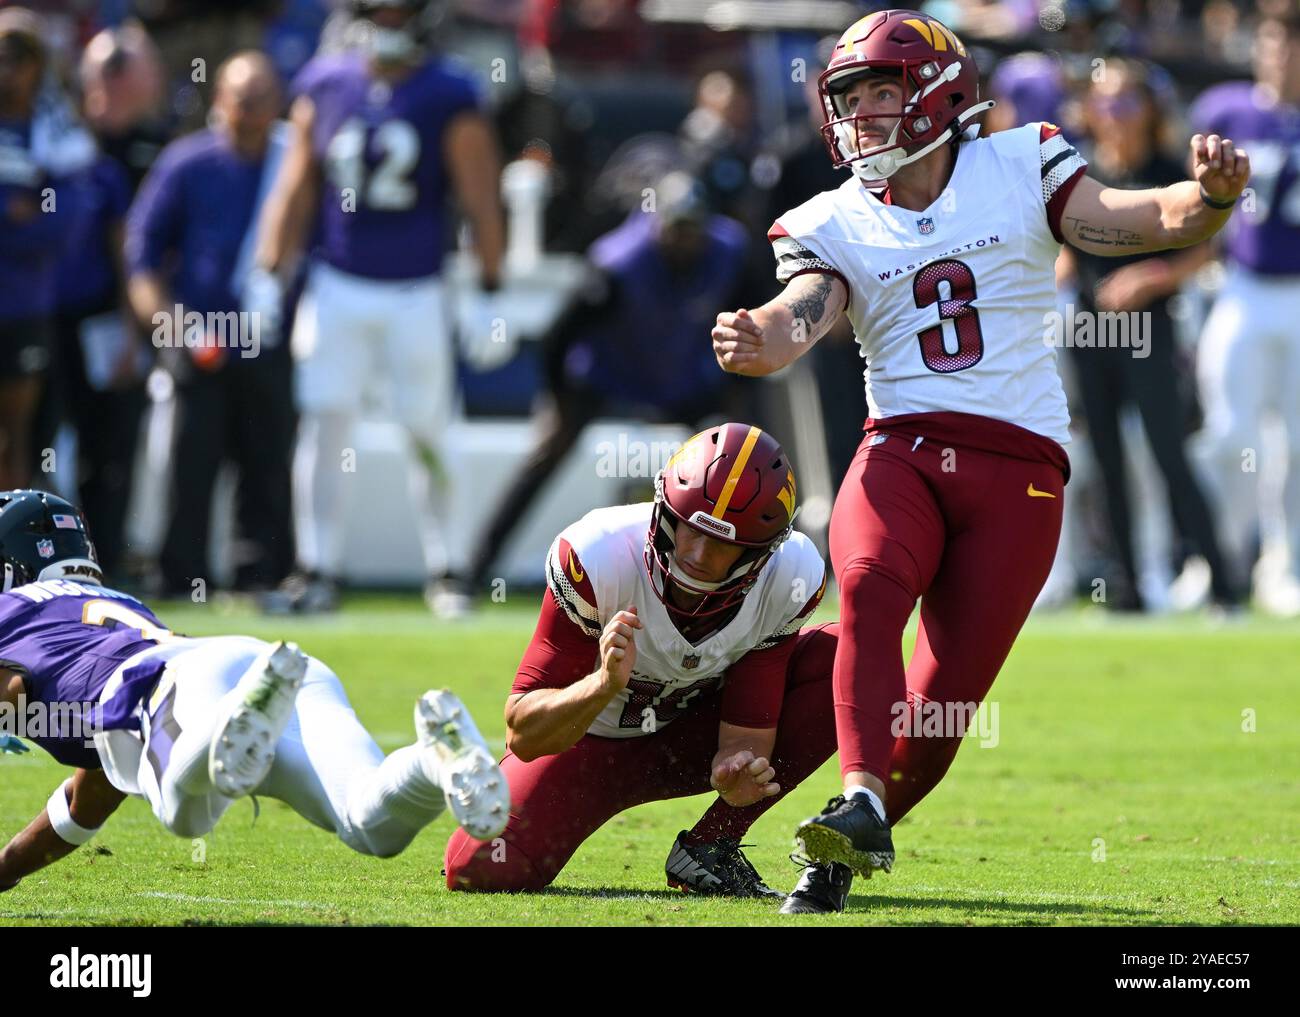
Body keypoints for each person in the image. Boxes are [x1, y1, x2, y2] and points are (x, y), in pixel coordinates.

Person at [711, 9, 1251, 909]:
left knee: (942, 707)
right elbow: (803, 307)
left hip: (1020, 470)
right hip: (903, 449)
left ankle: (843, 846)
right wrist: (760, 337)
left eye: (881, 91)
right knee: (871, 584)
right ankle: (854, 794)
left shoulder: (1021, 161)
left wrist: (1209, 200)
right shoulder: (830, 217)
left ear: (936, 93)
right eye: (849, 98)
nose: (863, 114)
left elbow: (1131, 217)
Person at [0, 489, 508, 893]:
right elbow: (92, 795)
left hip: (166, 686)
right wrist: (6, 869)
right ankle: (437, 756)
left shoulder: (15, 612)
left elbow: (13, 692)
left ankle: (237, 717)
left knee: (185, 813)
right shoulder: (113, 605)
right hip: (256, 660)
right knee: (370, 825)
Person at [445, 425, 845, 912]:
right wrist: (600, 685)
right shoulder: (597, 555)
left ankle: (710, 848)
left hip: (686, 745)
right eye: (689, 528)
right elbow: (523, 735)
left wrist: (736, 767)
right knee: (481, 868)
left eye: (721, 545)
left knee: (841, 656)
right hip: (585, 748)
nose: (696, 554)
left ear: (759, 554)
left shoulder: (791, 576)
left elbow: (749, 729)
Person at [254, 0, 506, 618]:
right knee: (323, 424)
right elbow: (296, 182)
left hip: (417, 287)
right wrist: (266, 271)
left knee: (427, 429)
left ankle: (449, 570)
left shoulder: (449, 91)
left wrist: (489, 288)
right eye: (379, 11)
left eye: (399, 12)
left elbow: (479, 194)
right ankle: (315, 569)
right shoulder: (326, 81)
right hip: (336, 283)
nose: (388, 23)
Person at [455, 172, 752, 597]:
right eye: (676, 229)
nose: (684, 240)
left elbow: (747, 320)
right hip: (603, 376)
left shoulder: (727, 254)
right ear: (658, 225)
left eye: (692, 230)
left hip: (676, 379)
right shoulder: (618, 264)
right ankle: (477, 566)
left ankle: (740, 573)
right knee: (549, 450)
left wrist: (731, 394)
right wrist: (558, 399)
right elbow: (558, 337)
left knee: (733, 455)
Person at [1063, 57, 1238, 612]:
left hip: (1149, 333)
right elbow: (1065, 249)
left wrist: (1153, 276)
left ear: (1150, 110)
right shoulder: (1081, 173)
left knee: (1169, 454)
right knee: (1105, 463)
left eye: (1127, 102)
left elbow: (1208, 243)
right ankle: (1128, 590)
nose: (1114, 115)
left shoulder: (1168, 167)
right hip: (1089, 333)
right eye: (1105, 102)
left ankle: (1224, 584)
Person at [125, 52, 296, 596]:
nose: (248, 110)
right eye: (240, 97)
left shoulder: (294, 166)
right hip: (199, 338)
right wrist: (173, 328)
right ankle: (181, 577)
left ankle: (261, 577)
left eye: (261, 98)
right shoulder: (187, 163)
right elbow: (142, 255)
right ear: (219, 98)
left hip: (267, 337)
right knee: (188, 466)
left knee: (268, 465)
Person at [1188, 9, 1300, 616]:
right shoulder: (1225, 110)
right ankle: (1221, 560)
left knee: (1298, 442)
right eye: (1274, 38)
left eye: (1292, 40)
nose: (1282, 52)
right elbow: (1195, 202)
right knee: (1230, 434)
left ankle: (1285, 567)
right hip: (1242, 286)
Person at [0, 8, 92, 489]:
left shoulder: (56, 132)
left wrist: (22, 224)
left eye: (16, 58)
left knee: (16, 435)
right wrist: (15, 210)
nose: (6, 69)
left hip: (23, 305)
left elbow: (66, 222)